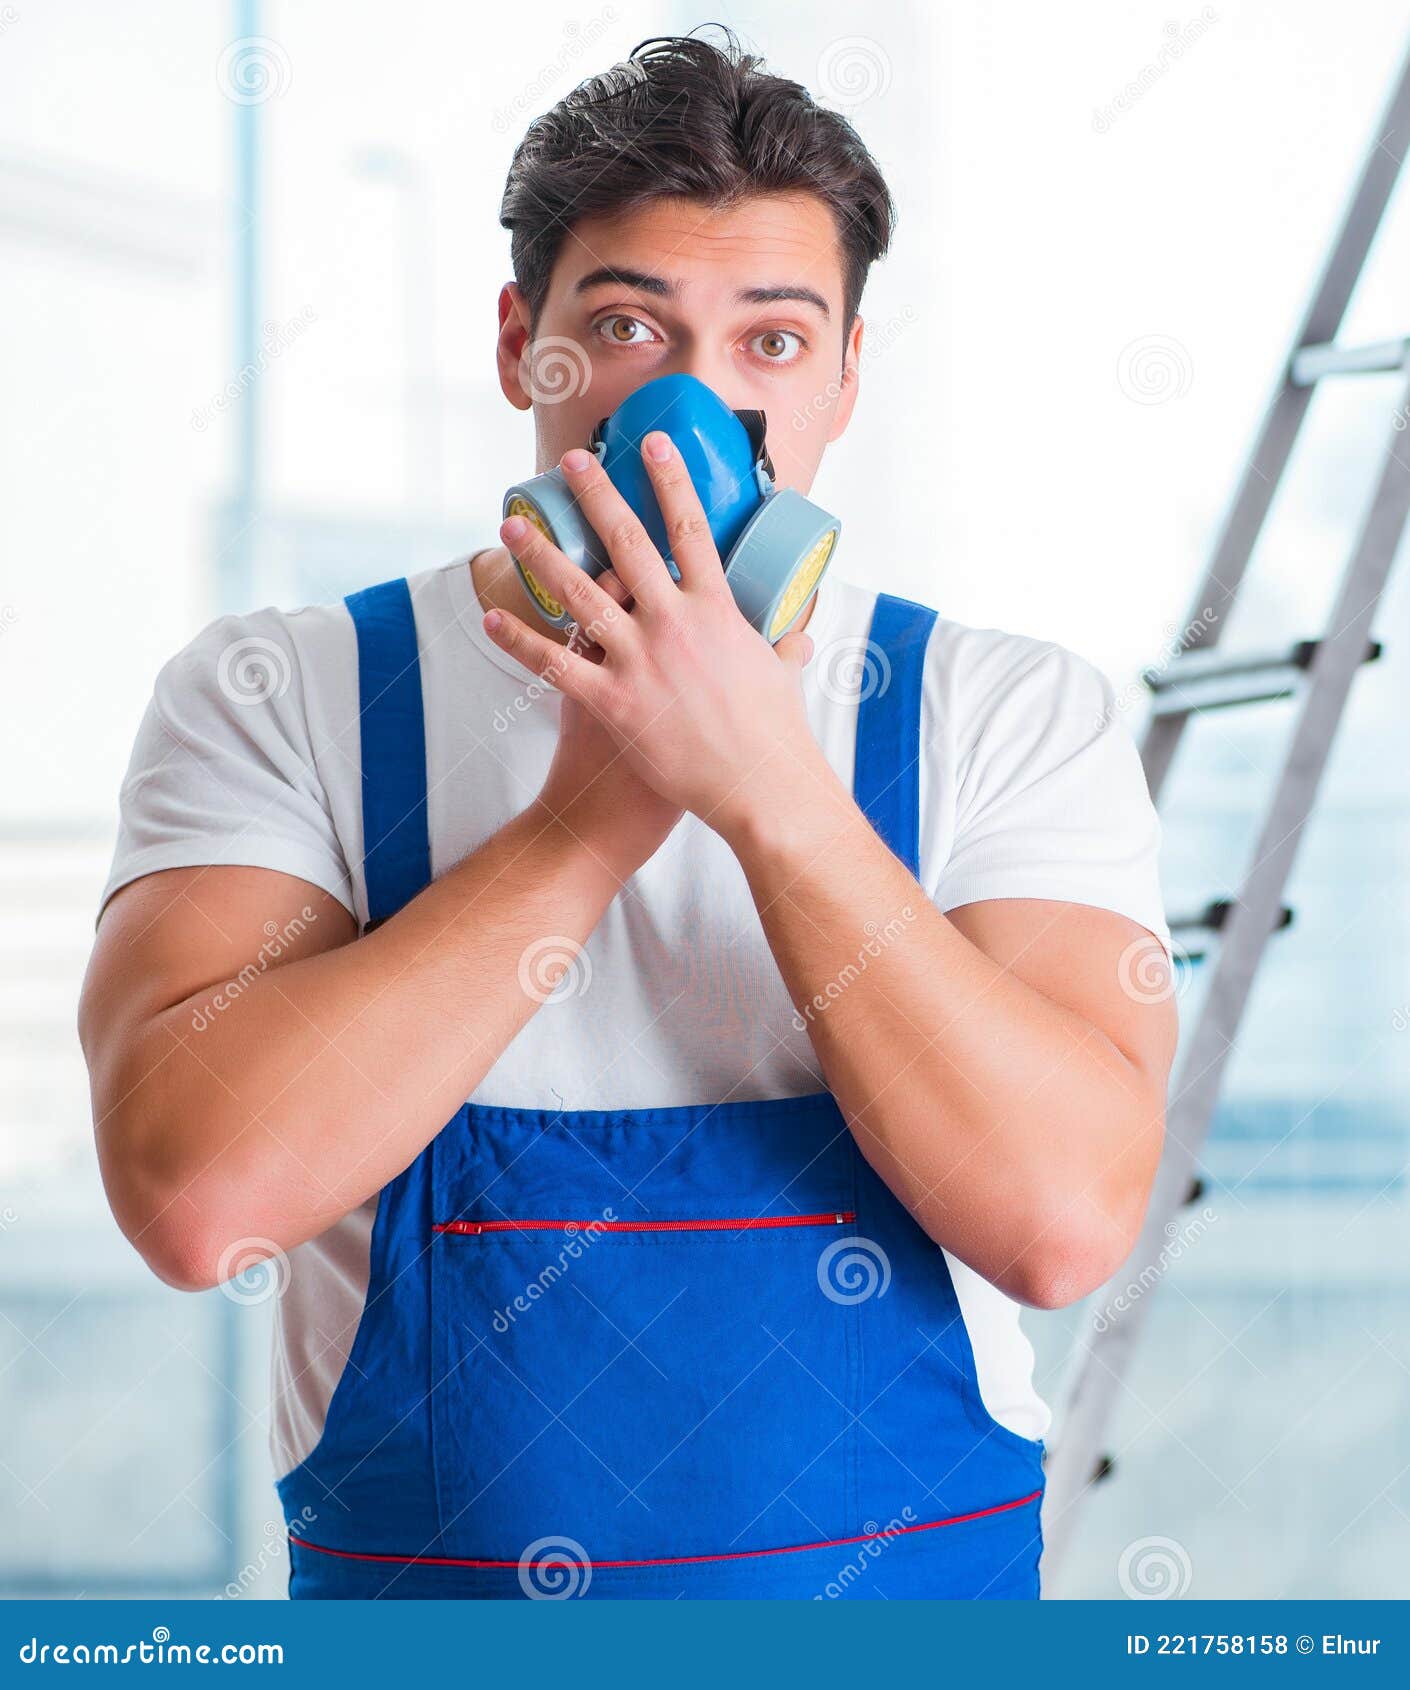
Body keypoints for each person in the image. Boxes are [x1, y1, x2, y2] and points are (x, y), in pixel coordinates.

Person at [78, 30, 1176, 1600]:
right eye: (625, 326)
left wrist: (769, 789)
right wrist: (594, 818)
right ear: (523, 342)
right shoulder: (285, 695)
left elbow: (1061, 1223)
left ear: (850, 373)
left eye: (772, 344)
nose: (694, 408)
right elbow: (198, 1201)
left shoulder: (998, 713)